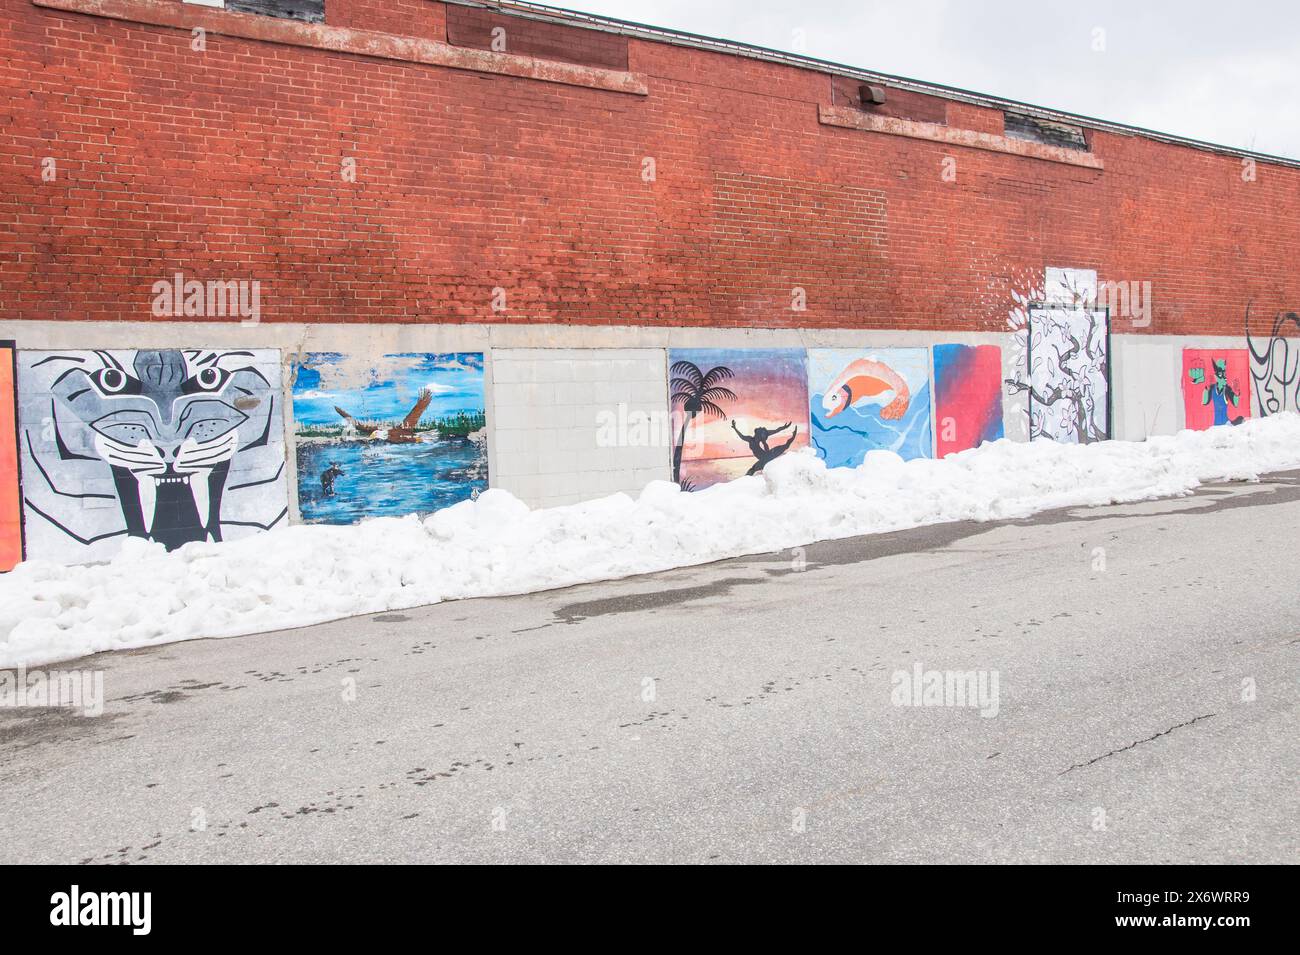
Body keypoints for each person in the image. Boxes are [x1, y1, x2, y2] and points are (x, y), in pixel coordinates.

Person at [731, 419, 798, 475]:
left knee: (785, 446)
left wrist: (784, 427)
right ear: (757, 434)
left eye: (763, 434)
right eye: (761, 434)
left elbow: (776, 430)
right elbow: (742, 436)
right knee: (752, 470)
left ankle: (793, 436)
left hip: (767, 456)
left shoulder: (762, 436)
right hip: (764, 459)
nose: (763, 435)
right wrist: (735, 428)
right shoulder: (751, 439)